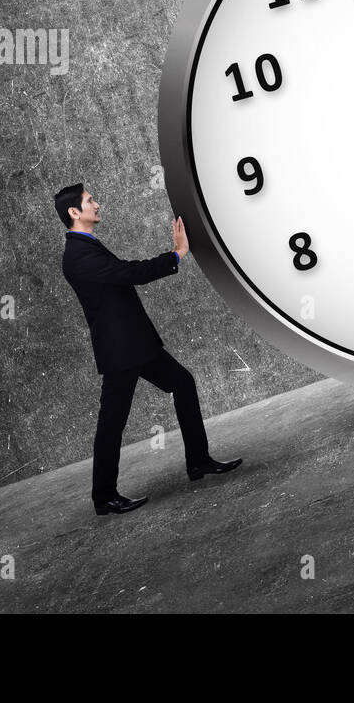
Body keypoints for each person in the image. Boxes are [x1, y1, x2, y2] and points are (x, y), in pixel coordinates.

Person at [53, 183, 241, 516]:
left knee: (182, 383)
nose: (97, 204)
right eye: (90, 201)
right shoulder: (78, 254)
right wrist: (177, 254)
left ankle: (198, 461)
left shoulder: (86, 246)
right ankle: (104, 497)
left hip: (135, 344)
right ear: (74, 213)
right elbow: (129, 273)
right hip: (121, 350)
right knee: (112, 422)